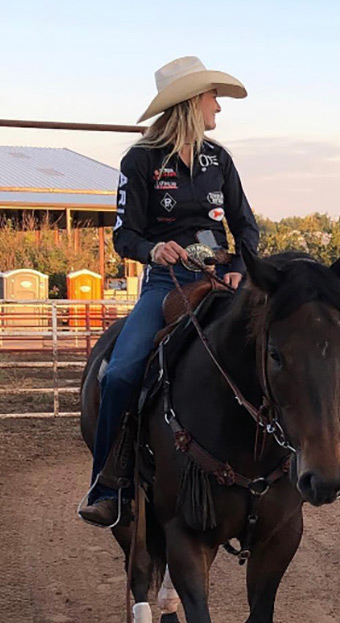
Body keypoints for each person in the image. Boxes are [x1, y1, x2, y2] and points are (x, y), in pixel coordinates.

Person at [79, 56, 259, 527]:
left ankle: (284, 463)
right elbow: (124, 236)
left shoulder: (219, 160)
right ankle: (109, 483)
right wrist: (153, 247)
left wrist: (241, 267)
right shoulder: (139, 160)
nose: (217, 106)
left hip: (222, 280)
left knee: (272, 353)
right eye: (211, 96)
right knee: (119, 373)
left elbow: (247, 226)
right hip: (166, 284)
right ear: (189, 102)